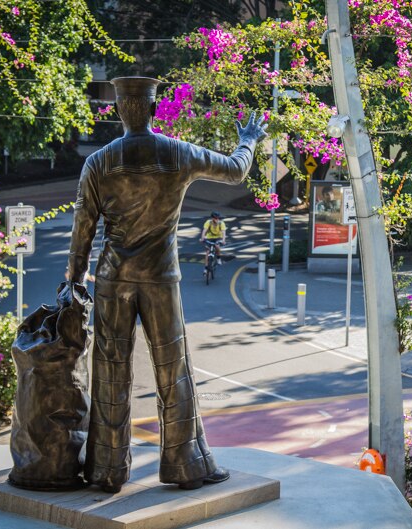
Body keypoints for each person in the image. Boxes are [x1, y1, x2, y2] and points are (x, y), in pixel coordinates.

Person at [67, 76, 267, 493]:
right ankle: (185, 464)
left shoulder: (99, 162)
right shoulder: (176, 153)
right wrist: (248, 139)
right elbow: (235, 171)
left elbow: (82, 228)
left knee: (109, 371)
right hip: (160, 278)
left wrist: (73, 278)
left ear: (120, 110)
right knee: (172, 370)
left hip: (112, 278)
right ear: (154, 110)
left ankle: (106, 469)